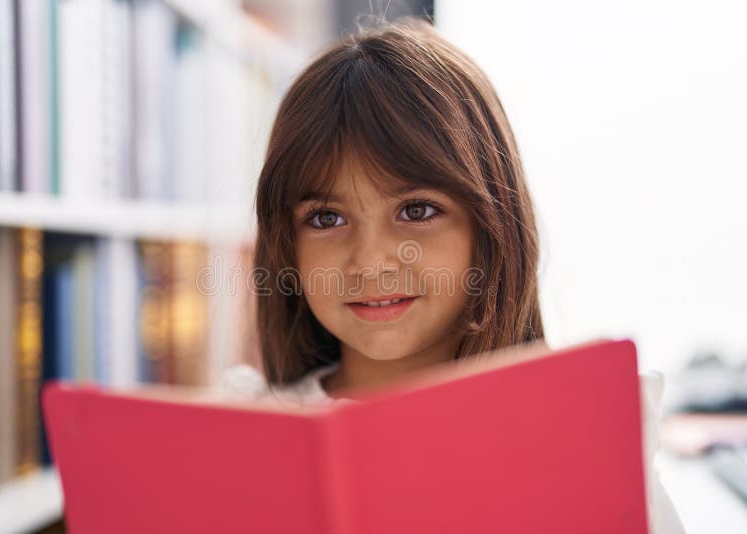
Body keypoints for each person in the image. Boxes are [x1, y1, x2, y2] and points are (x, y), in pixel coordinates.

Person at [217, 16, 686, 534]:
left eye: (416, 211)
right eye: (327, 218)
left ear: (491, 229)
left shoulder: (584, 431)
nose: (371, 262)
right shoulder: (247, 427)